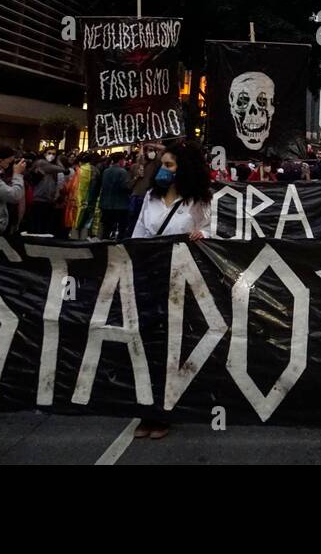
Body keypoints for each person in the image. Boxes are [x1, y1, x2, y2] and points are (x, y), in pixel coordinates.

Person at [129, 139, 212, 440]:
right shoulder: (151, 197)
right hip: (149, 281)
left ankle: (164, 413)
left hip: (180, 284)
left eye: (169, 165)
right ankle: (146, 412)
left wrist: (203, 234)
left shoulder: (197, 201)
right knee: (146, 346)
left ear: (183, 169)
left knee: (171, 348)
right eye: (162, 164)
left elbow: (212, 232)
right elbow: (138, 234)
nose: (162, 170)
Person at [23, 146, 66, 235]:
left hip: (48, 199)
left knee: (43, 226)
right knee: (38, 225)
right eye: (49, 153)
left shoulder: (49, 166)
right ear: (44, 154)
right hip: (39, 198)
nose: (51, 155)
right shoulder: (42, 163)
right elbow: (62, 169)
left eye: (54, 154)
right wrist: (58, 159)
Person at [97, 152, 133, 240]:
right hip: (120, 205)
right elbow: (125, 187)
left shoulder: (106, 171)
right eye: (124, 160)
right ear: (121, 160)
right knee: (122, 228)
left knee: (106, 227)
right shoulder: (123, 172)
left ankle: (103, 244)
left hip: (106, 204)